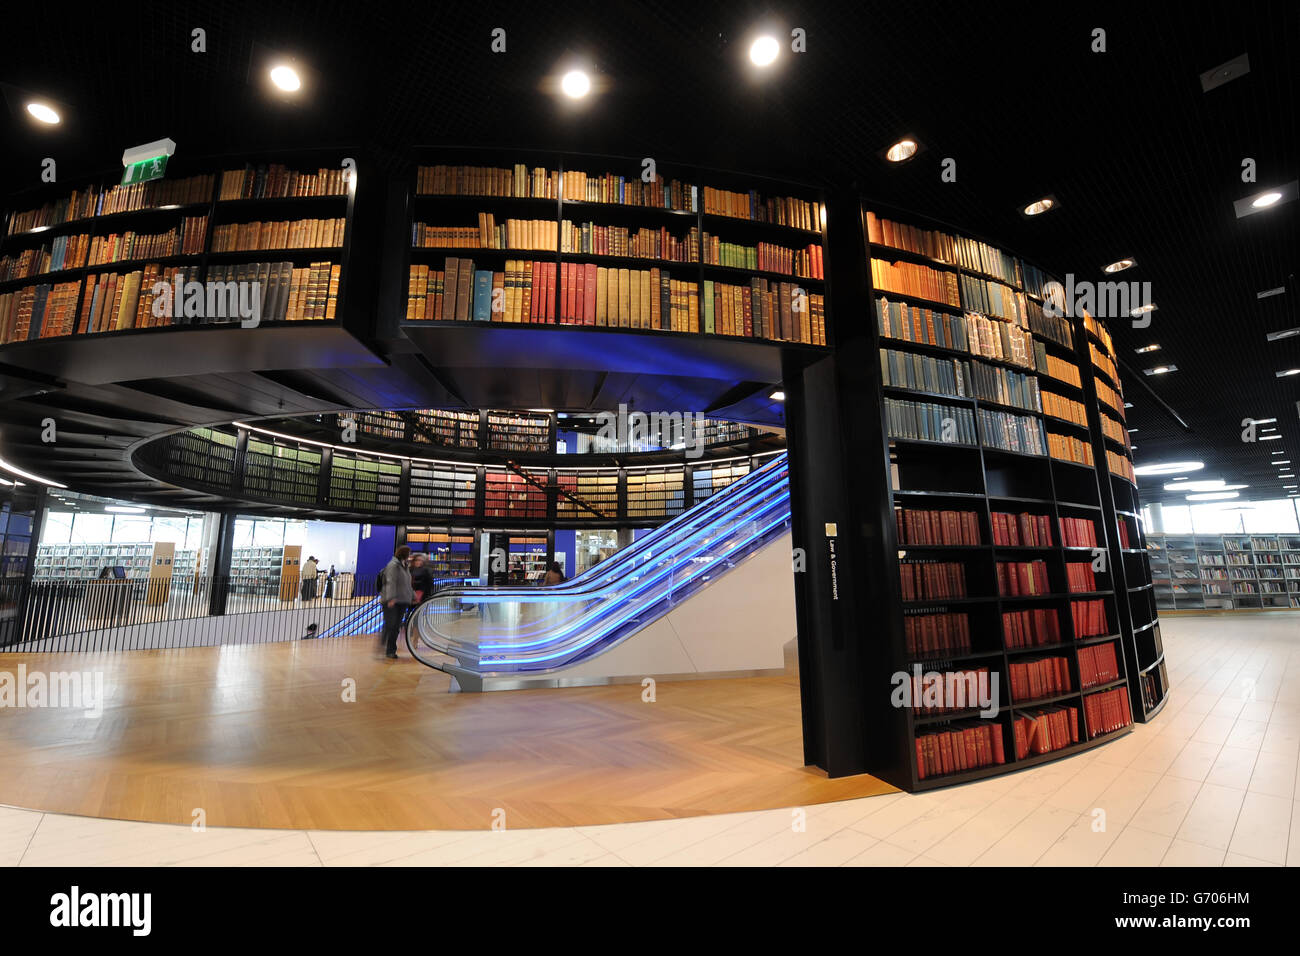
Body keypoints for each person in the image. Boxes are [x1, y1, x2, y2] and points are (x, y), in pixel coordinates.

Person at [379, 545, 414, 660]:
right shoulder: (393, 566)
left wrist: (413, 596)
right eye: (409, 553)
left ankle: (389, 648)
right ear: (404, 554)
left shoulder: (405, 566)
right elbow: (391, 582)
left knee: (395, 626)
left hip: (402, 600)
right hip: (392, 601)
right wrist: (391, 598)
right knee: (392, 625)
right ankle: (388, 649)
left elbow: (407, 584)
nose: (410, 555)